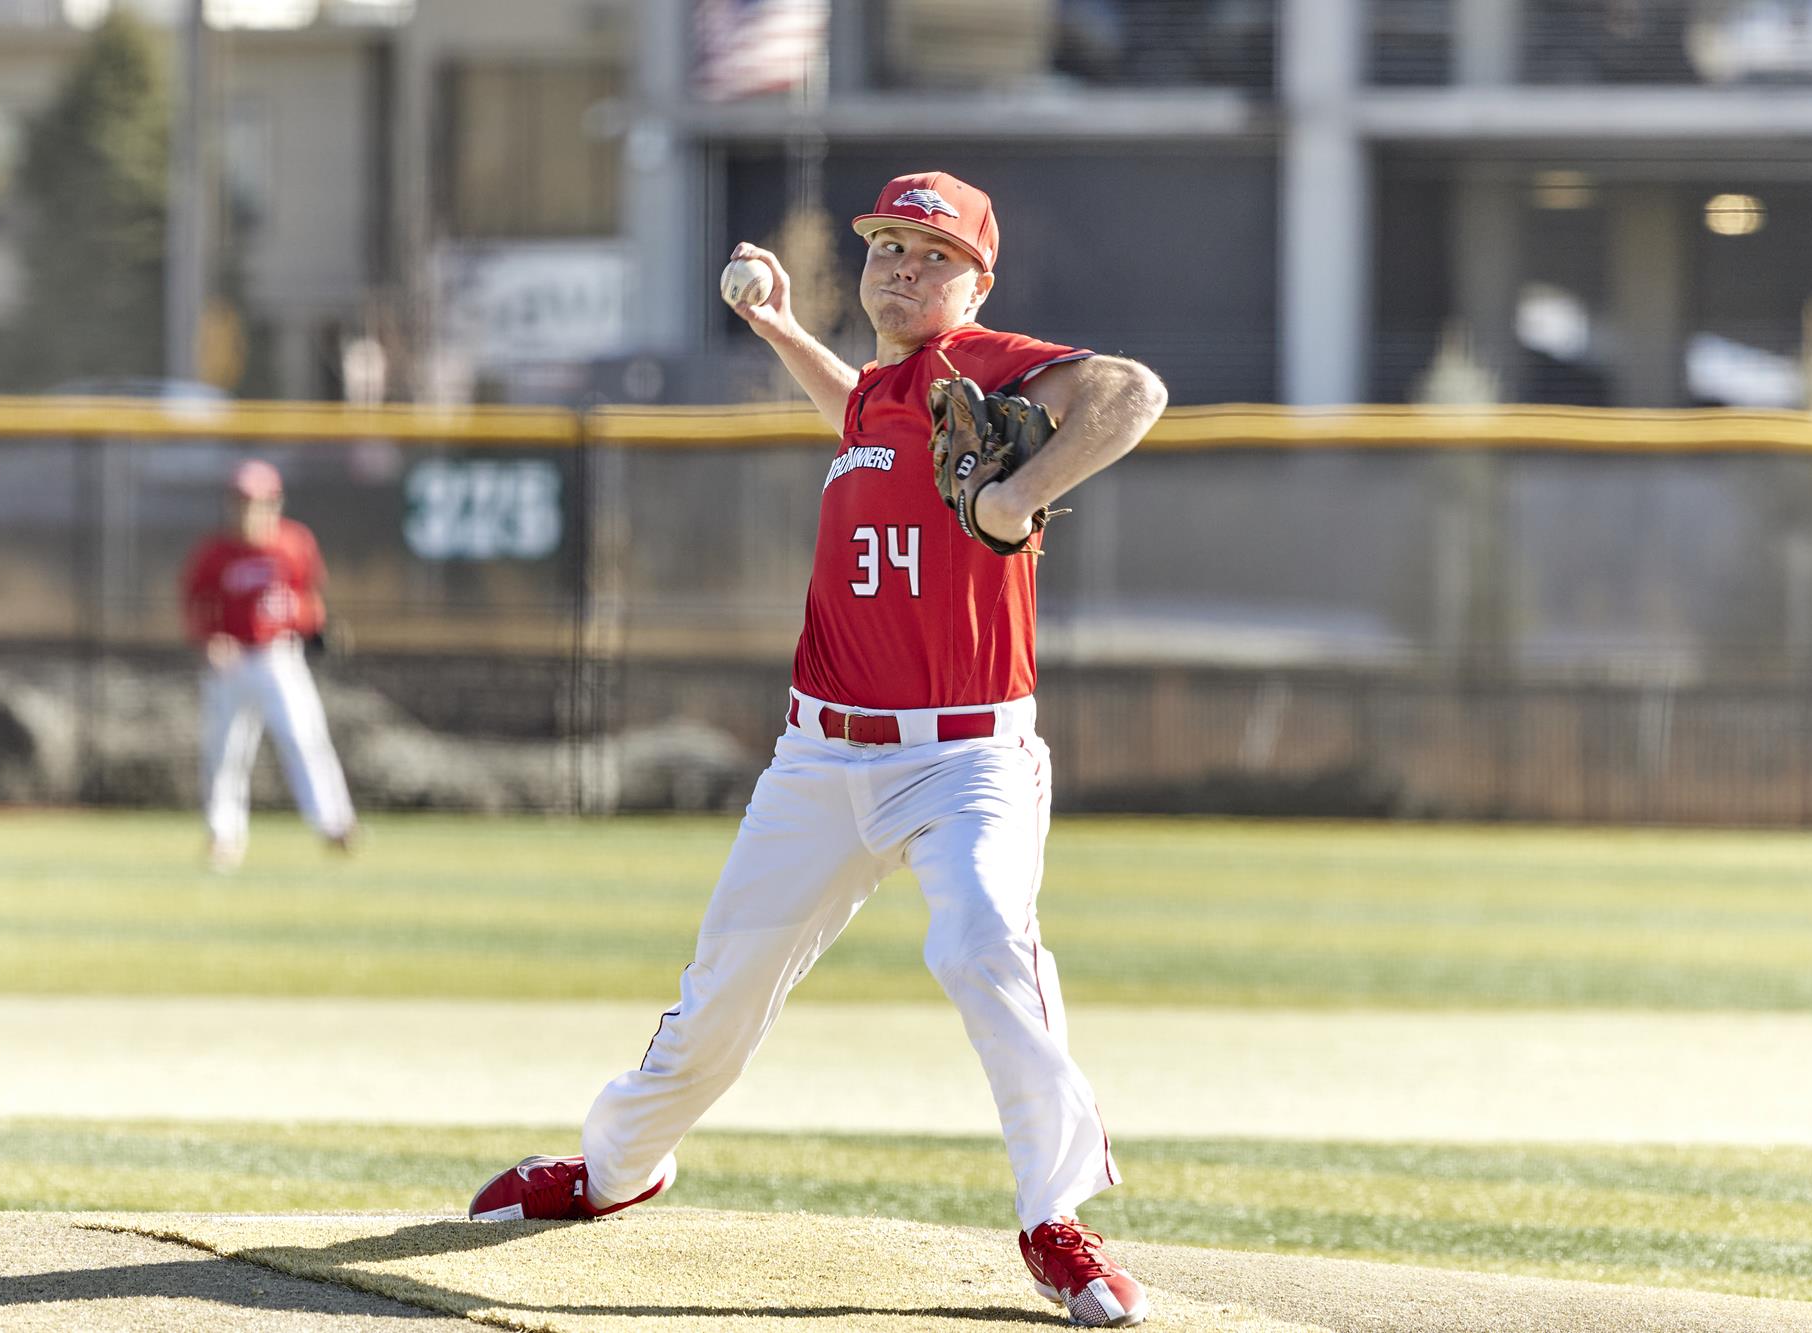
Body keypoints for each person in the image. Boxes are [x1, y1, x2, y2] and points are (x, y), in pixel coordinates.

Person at [469, 171, 1167, 1329]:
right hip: (818, 758)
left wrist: (1018, 496)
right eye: (886, 244)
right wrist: (779, 326)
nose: (900, 264)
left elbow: (1128, 390)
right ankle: (612, 1170)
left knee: (986, 946)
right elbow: (853, 410)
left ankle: (1054, 1214)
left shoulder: (985, 366)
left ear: (977, 281)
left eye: (930, 251)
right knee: (716, 998)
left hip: (964, 759)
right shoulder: (882, 396)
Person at [180, 458, 356, 870]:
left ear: (274, 504)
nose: (247, 511)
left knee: (305, 738)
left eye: (257, 502)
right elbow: (194, 605)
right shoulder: (215, 552)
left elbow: (308, 596)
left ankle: (334, 824)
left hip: (279, 655)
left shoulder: (294, 543)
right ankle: (224, 834)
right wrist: (208, 639)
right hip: (233, 660)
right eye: (240, 502)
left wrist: (315, 627)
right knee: (226, 752)